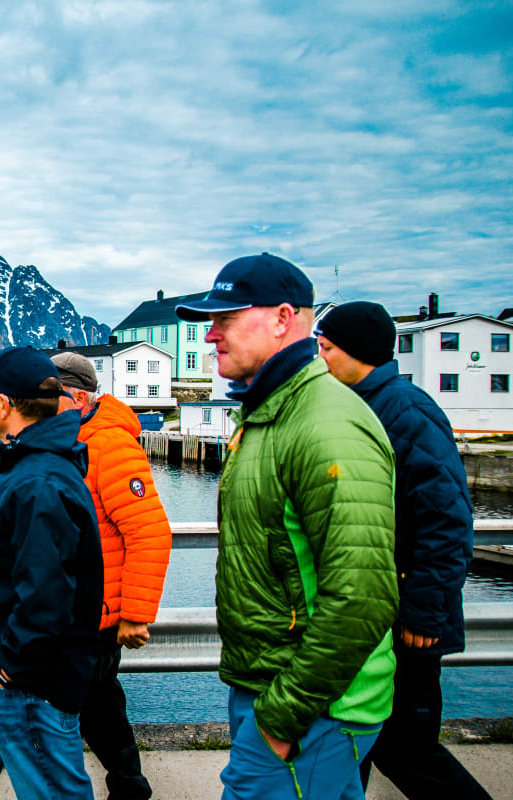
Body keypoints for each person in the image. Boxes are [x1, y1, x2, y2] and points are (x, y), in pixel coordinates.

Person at [175, 253, 399, 800]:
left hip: (311, 706)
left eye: (225, 319)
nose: (209, 337)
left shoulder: (327, 426)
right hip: (283, 691)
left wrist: (283, 715)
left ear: (280, 318)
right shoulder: (273, 413)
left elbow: (363, 594)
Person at [315, 301, 492, 799]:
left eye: (326, 348)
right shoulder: (363, 406)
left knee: (404, 748)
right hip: (376, 615)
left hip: (407, 621)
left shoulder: (405, 411)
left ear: (358, 352)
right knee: (355, 745)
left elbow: (448, 520)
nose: (320, 358)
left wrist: (423, 613)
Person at [0, 346, 102, 800]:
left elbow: (46, 596)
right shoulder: (23, 467)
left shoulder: (39, 483)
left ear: (4, 405)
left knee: (53, 793)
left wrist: (11, 673)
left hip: (21, 682)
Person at [50, 351, 172, 800]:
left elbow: (149, 530)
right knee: (99, 703)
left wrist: (135, 614)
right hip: (79, 605)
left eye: (51, 395)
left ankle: (117, 785)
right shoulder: (76, 437)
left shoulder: (108, 443)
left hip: (97, 611)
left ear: (78, 397)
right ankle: (129, 785)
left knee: (80, 704)